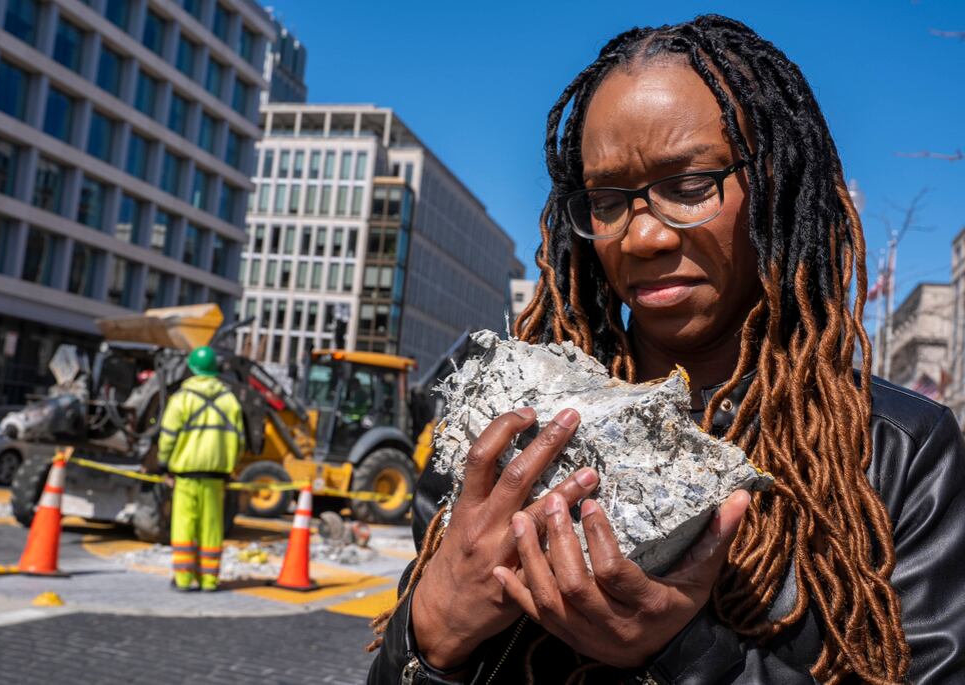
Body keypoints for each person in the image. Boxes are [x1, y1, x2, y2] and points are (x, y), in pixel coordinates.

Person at [368, 15, 965, 684]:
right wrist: (429, 637)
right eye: (607, 199)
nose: (643, 235)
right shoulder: (500, 436)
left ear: (775, 187)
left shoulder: (896, 451)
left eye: (688, 187)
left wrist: (685, 653)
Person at [157, 346, 244, 592]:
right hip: (217, 477)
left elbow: (168, 436)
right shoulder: (230, 400)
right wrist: (231, 466)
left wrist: (164, 463)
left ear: (192, 369)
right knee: (212, 528)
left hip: (185, 475)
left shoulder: (181, 399)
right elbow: (239, 441)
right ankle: (209, 580)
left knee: (184, 526)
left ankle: (184, 579)